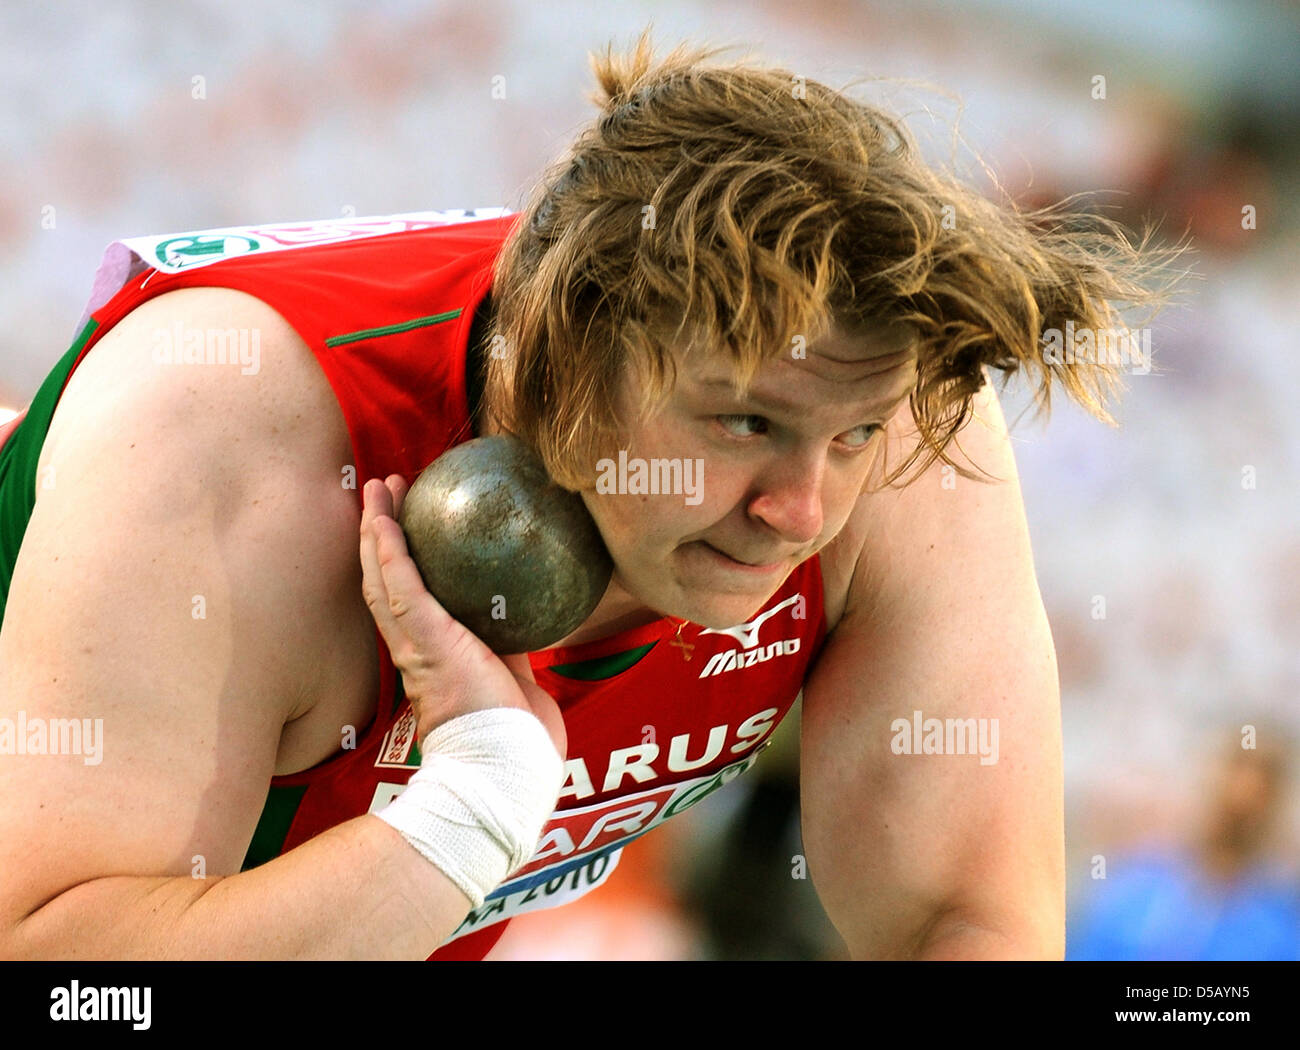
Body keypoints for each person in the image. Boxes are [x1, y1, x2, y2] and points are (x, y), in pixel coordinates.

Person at [0, 30, 1183, 960]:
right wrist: (469, 812)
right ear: (563, 357)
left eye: (852, 436)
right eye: (743, 424)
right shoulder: (233, 439)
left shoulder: (895, 419)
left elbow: (964, 930)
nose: (803, 512)